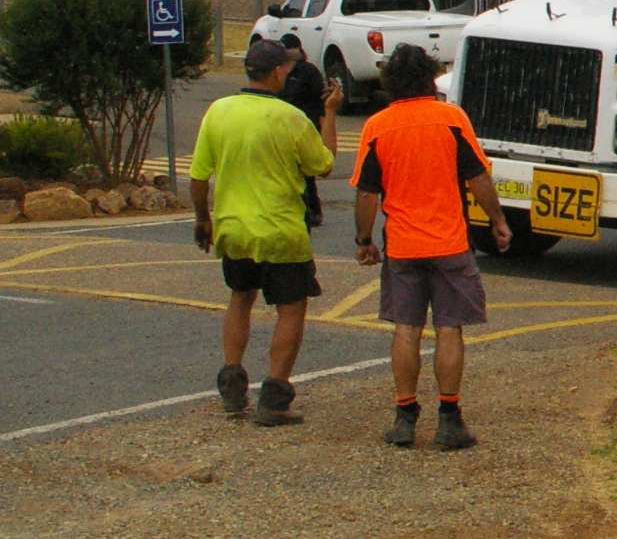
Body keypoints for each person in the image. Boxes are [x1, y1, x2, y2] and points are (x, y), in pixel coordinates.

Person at [352, 43, 509, 452]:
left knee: (406, 328)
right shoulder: (451, 119)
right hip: (449, 241)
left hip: (403, 244)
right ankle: (449, 417)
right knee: (448, 328)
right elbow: (478, 178)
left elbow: (367, 194)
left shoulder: (377, 126)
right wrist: (498, 221)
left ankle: (405, 417)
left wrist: (365, 239)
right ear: (430, 75)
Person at [193, 40, 338, 426]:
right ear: (277, 72)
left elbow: (198, 175)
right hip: (280, 229)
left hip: (234, 227)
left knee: (240, 297)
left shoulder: (219, 111)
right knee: (291, 307)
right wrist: (329, 114)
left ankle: (231, 379)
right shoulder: (289, 118)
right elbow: (323, 165)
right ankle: (275, 393)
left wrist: (202, 219)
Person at [275, 34, 338, 229]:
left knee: (308, 171)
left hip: (307, 124)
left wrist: (323, 119)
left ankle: (313, 209)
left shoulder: (308, 72)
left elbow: (319, 98)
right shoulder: (279, 72)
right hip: (283, 126)